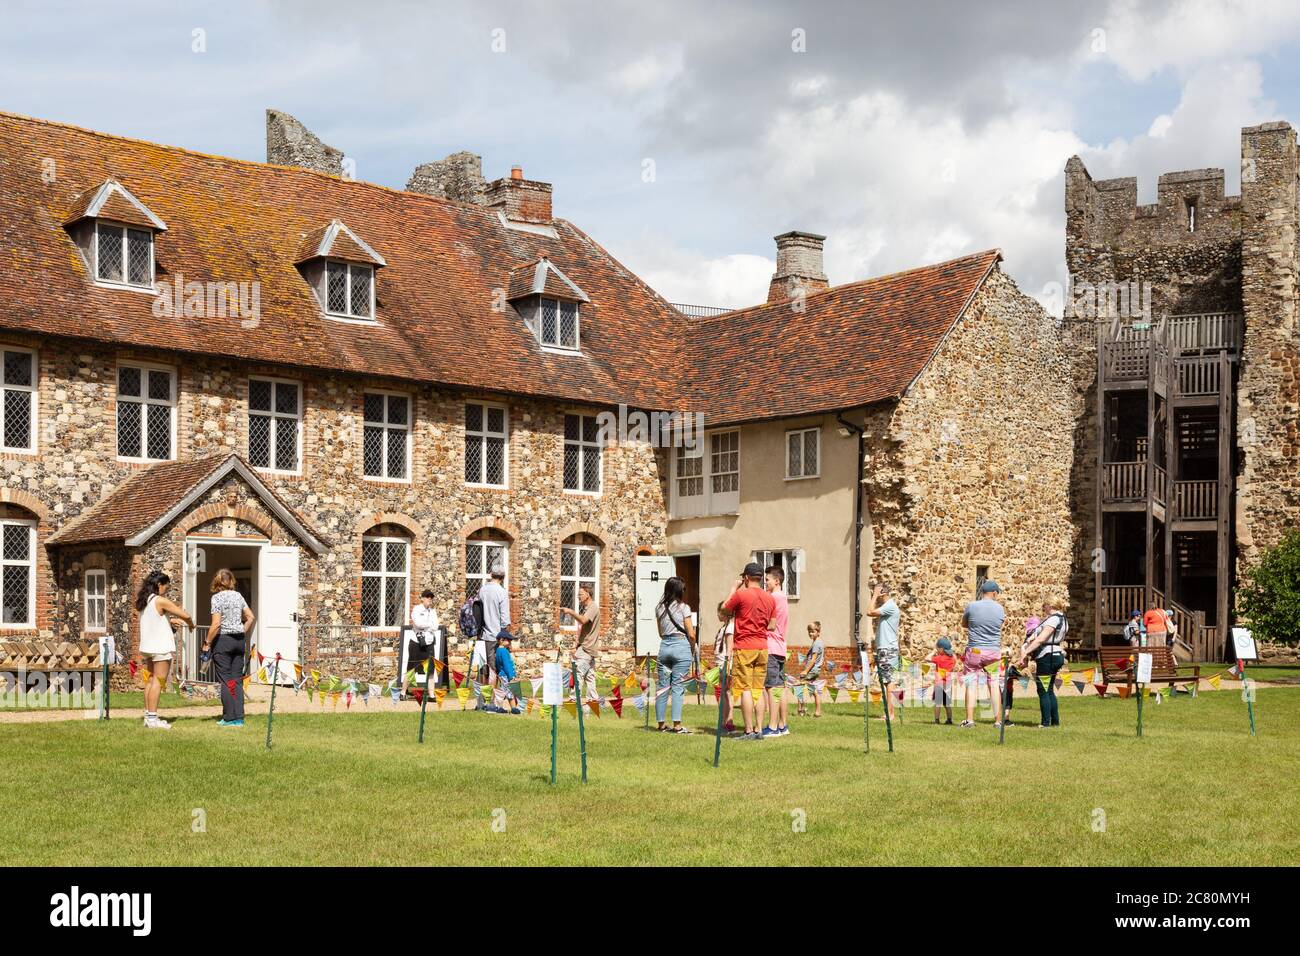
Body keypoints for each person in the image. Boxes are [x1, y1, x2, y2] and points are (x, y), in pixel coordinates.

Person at [134, 570, 195, 729]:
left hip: (148, 647)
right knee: (158, 682)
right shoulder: (160, 600)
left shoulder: (145, 600)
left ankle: (148, 717)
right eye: (166, 585)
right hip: (160, 647)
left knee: (150, 681)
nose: (167, 588)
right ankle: (153, 720)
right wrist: (191, 625)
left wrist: (170, 620)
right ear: (159, 585)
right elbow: (185, 615)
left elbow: (155, 619)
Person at [723, 562, 775, 741]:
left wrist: (732, 588)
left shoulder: (740, 594)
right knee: (758, 689)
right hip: (762, 646)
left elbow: (724, 610)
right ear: (760, 578)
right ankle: (759, 729)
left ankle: (748, 730)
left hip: (744, 646)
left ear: (746, 577)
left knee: (745, 688)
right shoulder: (770, 598)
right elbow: (773, 626)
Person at [203, 568, 256, 727]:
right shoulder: (238, 596)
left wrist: (207, 643)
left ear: (217, 582)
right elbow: (250, 617)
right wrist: (241, 630)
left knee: (226, 680)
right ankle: (239, 717)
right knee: (236, 680)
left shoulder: (217, 598)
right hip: (239, 640)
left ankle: (228, 717)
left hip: (224, 640)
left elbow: (216, 624)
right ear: (231, 581)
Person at [960, 579, 1006, 728]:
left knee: (971, 684)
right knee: (993, 684)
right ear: (994, 593)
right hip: (993, 651)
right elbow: (999, 625)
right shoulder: (1000, 609)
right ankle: (998, 721)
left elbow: (964, 624)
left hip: (975, 650)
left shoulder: (972, 606)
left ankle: (970, 720)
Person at [654, 576, 697, 733]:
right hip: (681, 646)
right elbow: (691, 634)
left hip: (664, 647)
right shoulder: (684, 608)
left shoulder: (659, 608)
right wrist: (692, 648)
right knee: (678, 687)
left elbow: (660, 632)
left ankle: (660, 724)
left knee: (662, 687)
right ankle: (677, 725)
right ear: (680, 590)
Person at [1018, 598, 1069, 728]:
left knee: (1043, 690)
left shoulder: (1053, 619)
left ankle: (1045, 723)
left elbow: (1041, 639)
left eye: (1044, 605)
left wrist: (1026, 652)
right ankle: (1055, 722)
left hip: (1048, 656)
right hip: (1056, 654)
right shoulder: (1063, 619)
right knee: (1050, 689)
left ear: (1050, 605)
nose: (1043, 608)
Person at [762, 565, 791, 738]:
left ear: (777, 581)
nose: (765, 582)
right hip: (780, 647)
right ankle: (783, 724)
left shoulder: (773, 598)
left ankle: (772, 727)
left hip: (771, 646)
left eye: (767, 579)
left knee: (771, 687)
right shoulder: (783, 597)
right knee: (780, 687)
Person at [866, 583, 900, 722]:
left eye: (875, 592)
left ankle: (890, 715)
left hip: (888, 649)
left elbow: (869, 612)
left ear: (882, 592)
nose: (874, 595)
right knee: (887, 681)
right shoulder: (887, 607)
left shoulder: (890, 606)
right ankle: (889, 713)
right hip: (884, 648)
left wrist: (874, 596)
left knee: (889, 681)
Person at [562, 582, 599, 702]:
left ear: (587, 594)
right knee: (590, 677)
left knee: (577, 675)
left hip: (587, 650)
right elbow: (585, 629)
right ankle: (593, 702)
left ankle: (574, 701)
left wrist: (570, 611)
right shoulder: (588, 608)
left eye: (580, 594)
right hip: (585, 648)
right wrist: (577, 644)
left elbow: (583, 621)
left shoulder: (593, 607)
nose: (578, 596)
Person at [475, 564, 510, 684]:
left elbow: (476, 610)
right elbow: (505, 618)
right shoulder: (501, 592)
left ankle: (482, 699)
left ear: (491, 574)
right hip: (496, 635)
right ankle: (492, 698)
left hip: (481, 634)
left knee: (482, 668)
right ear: (503, 577)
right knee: (494, 668)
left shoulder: (482, 590)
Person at [1003, 615, 1039, 723]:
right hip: (1007, 690)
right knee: (1006, 703)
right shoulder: (1010, 669)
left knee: (1004, 703)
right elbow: (1021, 675)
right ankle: (1004, 720)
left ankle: (1001, 719)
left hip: (1003, 689)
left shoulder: (1006, 668)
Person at [410, 589, 440, 690]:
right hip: (416, 642)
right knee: (411, 668)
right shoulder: (417, 609)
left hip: (429, 642)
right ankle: (403, 692)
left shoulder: (433, 611)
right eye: (427, 597)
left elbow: (436, 626)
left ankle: (431, 694)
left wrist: (426, 626)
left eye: (431, 597)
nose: (429, 599)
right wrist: (429, 625)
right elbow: (418, 623)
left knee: (431, 669)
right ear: (422, 598)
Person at [713, 602, 736, 732]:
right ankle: (727, 721)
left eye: (719, 612)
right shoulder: (725, 627)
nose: (717, 614)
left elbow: (729, 649)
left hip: (725, 665)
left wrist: (726, 665)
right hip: (721, 664)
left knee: (724, 693)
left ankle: (726, 721)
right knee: (725, 693)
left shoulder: (730, 627)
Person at [926, 636, 957, 724]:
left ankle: (936, 720)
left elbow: (927, 658)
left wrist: (933, 652)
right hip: (948, 684)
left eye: (937, 648)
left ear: (941, 649)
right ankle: (949, 719)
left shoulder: (939, 659)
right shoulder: (952, 659)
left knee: (938, 703)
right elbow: (954, 656)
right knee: (947, 704)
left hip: (939, 684)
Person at [797, 621, 825, 718]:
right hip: (815, 670)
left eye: (813, 631)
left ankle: (800, 710)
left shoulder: (817, 644)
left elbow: (813, 660)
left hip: (812, 670)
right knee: (814, 690)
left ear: (818, 632)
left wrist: (805, 671)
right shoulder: (818, 642)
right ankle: (817, 712)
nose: (810, 633)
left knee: (799, 687)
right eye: (809, 631)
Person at [493, 631, 521, 714]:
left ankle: (499, 707)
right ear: (502, 640)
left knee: (503, 692)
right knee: (510, 691)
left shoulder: (498, 650)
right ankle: (513, 708)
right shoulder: (504, 651)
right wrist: (511, 676)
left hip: (501, 675)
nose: (510, 642)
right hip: (506, 675)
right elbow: (507, 665)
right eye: (508, 640)